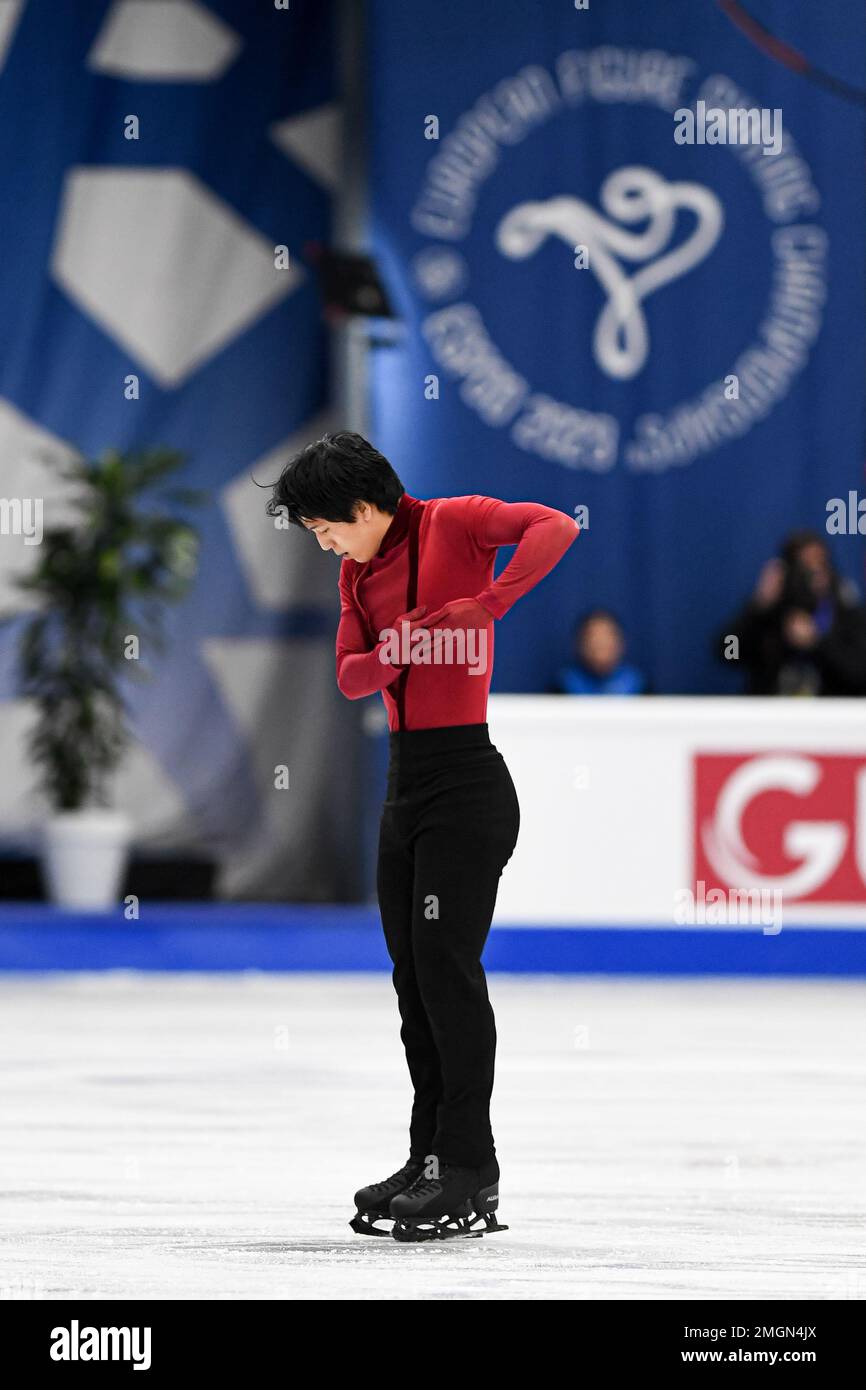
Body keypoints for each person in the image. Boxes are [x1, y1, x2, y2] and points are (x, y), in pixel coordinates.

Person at [265, 431, 579, 1240]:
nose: (324, 541)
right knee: (414, 982)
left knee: (446, 973)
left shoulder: (457, 521)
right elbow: (350, 675)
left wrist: (490, 603)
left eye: (326, 526)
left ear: (364, 507)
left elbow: (555, 526)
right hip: (404, 791)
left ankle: (471, 1169)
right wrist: (402, 644)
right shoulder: (354, 574)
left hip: (467, 787)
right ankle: (429, 1158)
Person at [718, 530, 866, 695]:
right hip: (770, 715)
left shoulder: (847, 614)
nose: (815, 574)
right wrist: (758, 607)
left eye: (821, 565)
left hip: (829, 716)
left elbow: (859, 674)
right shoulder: (768, 614)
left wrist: (817, 643)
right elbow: (727, 653)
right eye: (804, 567)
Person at [554, 608, 646, 695]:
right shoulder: (563, 686)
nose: (601, 643)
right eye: (593, 637)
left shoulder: (639, 685)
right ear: (580, 644)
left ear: (621, 643)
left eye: (607, 636)